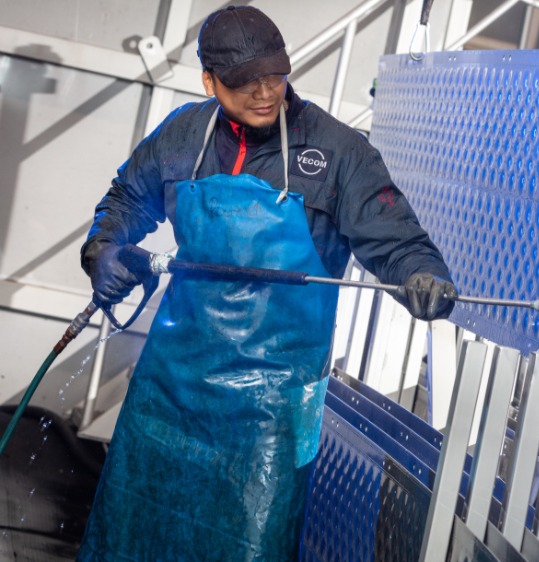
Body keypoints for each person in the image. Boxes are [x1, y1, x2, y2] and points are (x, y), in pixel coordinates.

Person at [76, 5, 456, 560]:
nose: (264, 92)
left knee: (249, 541)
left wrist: (422, 275)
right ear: (209, 80)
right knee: (136, 530)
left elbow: (394, 238)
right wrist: (102, 248)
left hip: (271, 408)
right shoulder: (186, 133)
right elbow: (129, 198)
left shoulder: (339, 153)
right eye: (244, 81)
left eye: (275, 75)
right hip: (171, 389)